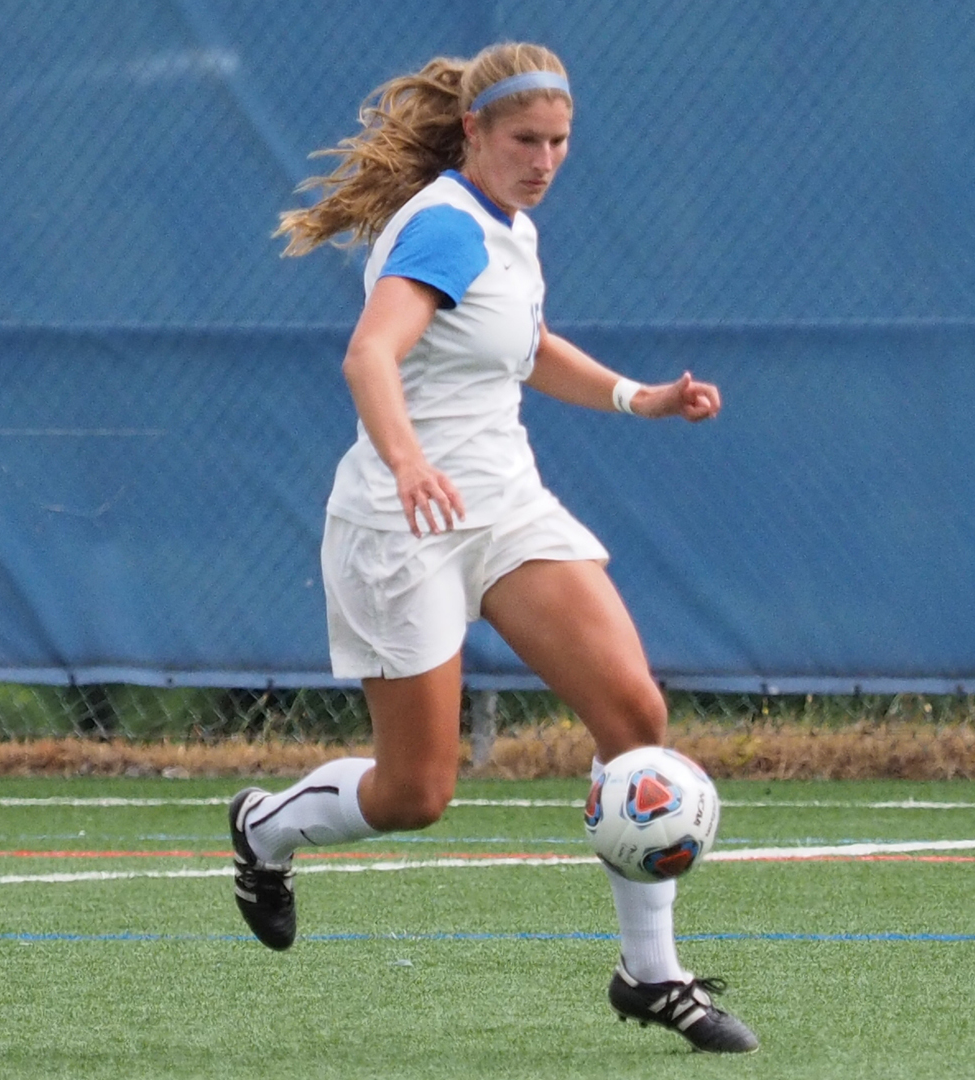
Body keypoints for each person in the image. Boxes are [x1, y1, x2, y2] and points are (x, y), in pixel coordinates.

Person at [231, 43, 758, 1053]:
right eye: (526, 140)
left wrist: (635, 397)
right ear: (474, 133)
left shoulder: (510, 229)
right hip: (405, 520)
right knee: (415, 793)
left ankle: (650, 976)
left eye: (560, 142)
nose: (546, 159)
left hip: (505, 507)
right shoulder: (441, 225)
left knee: (634, 712)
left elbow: (525, 347)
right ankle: (266, 827)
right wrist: (410, 464)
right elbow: (369, 355)